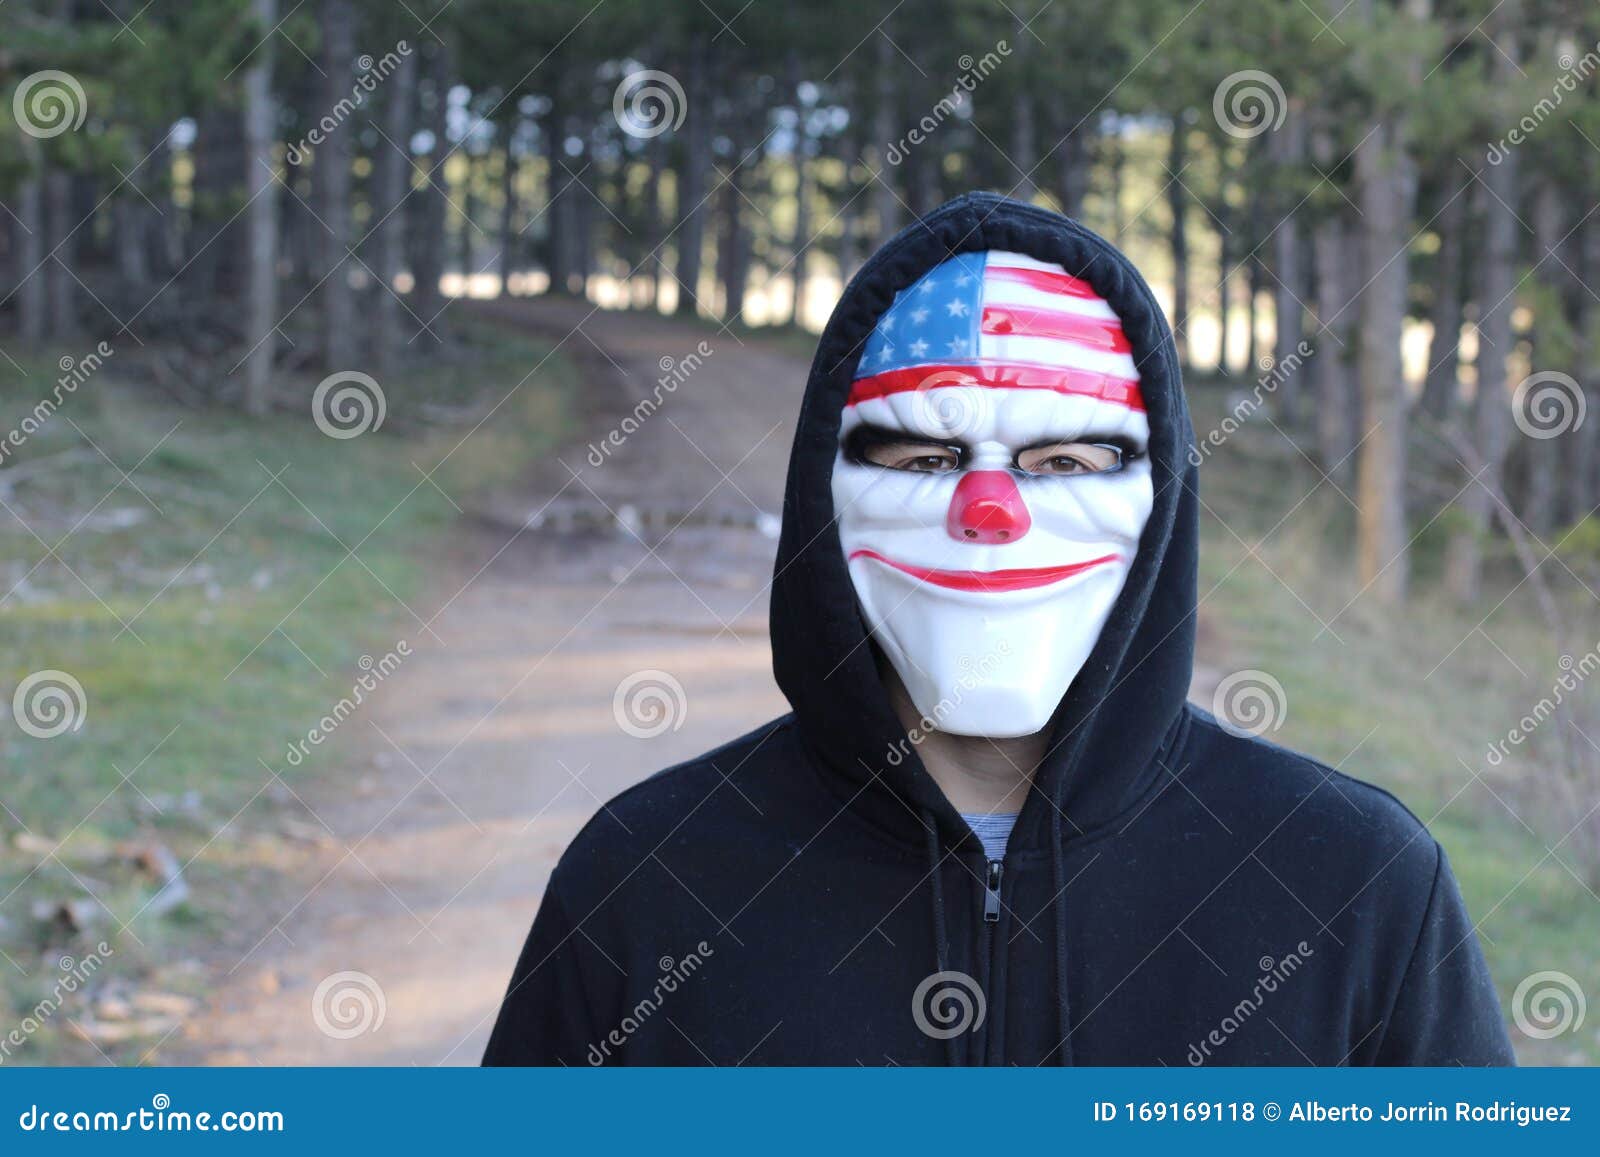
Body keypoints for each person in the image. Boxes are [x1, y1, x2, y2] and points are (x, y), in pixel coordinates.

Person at [482, 192, 1513, 1066]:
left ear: (1160, 499)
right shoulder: (647, 878)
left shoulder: (1351, 884)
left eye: (1065, 462)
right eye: (924, 459)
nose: (990, 513)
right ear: (822, 495)